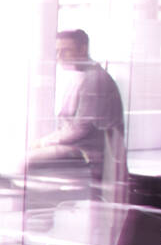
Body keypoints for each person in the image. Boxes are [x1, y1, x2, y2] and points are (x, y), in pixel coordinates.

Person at [27, 30, 126, 192]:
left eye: (65, 51)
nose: (59, 57)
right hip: (82, 149)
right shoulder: (81, 76)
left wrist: (42, 142)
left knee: (26, 163)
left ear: (83, 49)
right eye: (57, 52)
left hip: (91, 154)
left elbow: (80, 128)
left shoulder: (94, 80)